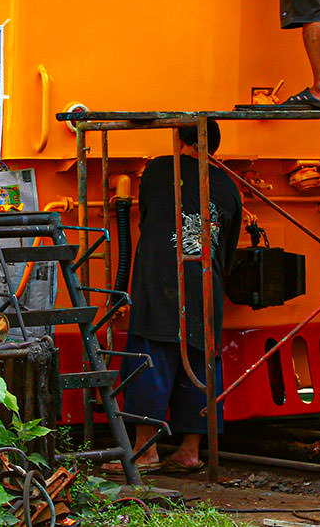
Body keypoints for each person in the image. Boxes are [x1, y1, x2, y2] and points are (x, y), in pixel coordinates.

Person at [114, 119, 242, 475]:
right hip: (206, 283)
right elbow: (228, 248)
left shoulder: (158, 171)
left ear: (179, 138)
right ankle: (190, 450)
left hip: (159, 279)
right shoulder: (230, 186)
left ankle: (145, 450)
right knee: (200, 363)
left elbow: (147, 216)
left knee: (149, 358)